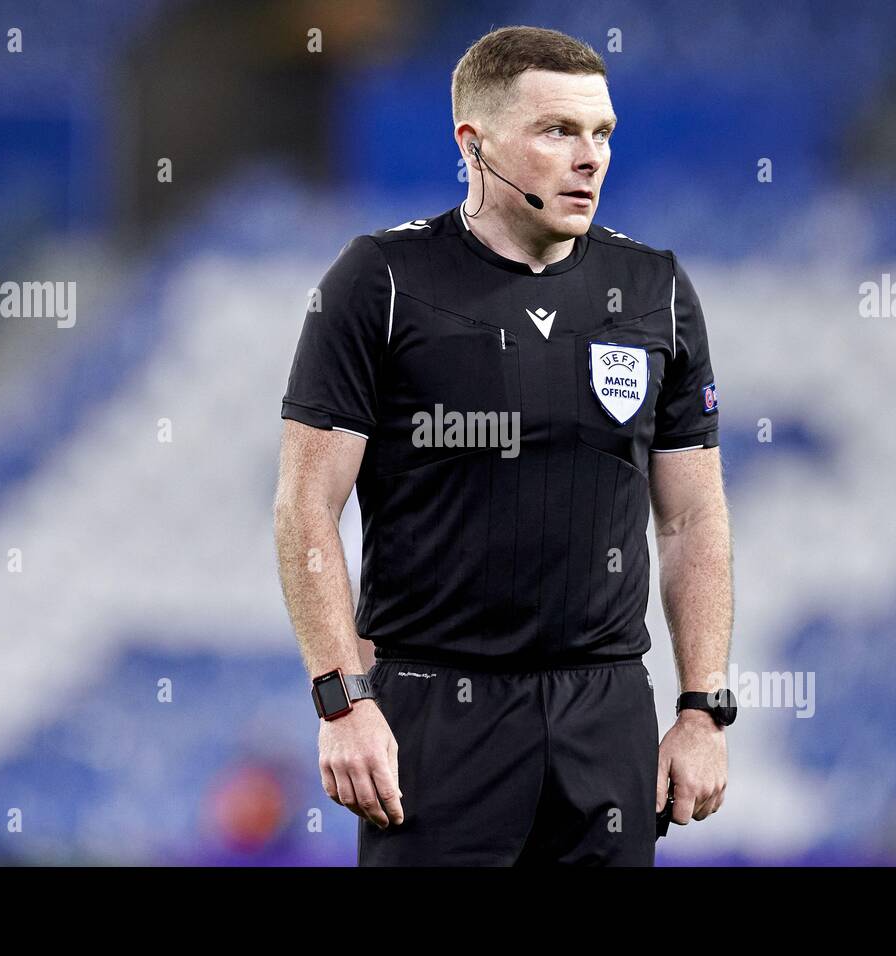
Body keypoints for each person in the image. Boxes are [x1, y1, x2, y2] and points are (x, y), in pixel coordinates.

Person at [274, 25, 733, 866]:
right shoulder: (378, 283)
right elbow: (307, 505)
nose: (589, 157)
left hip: (607, 715)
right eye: (557, 131)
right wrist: (343, 702)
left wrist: (703, 708)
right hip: (433, 715)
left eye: (601, 133)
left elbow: (692, 519)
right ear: (474, 144)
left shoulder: (654, 291)